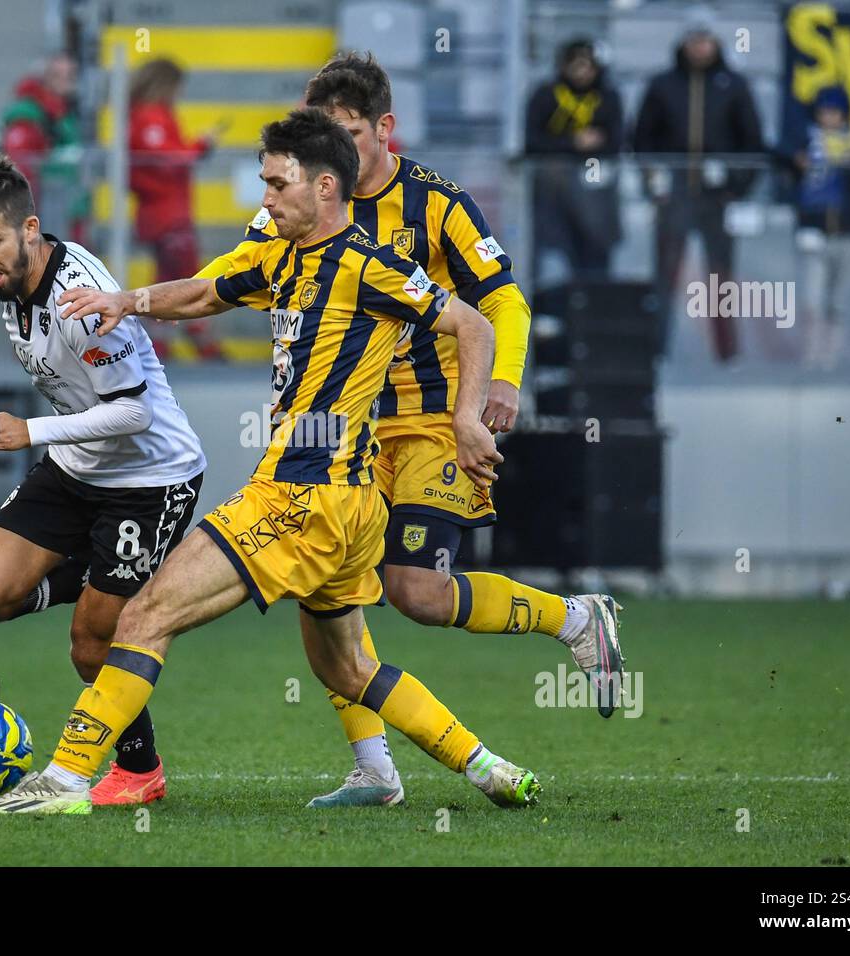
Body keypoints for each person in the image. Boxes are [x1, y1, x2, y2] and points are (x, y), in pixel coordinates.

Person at [0, 109, 543, 816]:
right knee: (348, 667)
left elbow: (474, 322)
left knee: (146, 614)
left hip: (304, 493)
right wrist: (127, 299)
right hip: (350, 502)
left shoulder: (369, 266)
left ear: (325, 187)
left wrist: (463, 416)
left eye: (276, 184)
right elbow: (208, 292)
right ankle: (490, 770)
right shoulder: (284, 254)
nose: (263, 198)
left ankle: (65, 779)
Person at [200, 52, 623, 809]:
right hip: (336, 433)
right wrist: (141, 302)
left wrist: (498, 387)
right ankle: (374, 769)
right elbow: (232, 275)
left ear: (385, 129)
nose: (331, 151)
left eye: (350, 133)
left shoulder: (437, 203)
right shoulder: (292, 203)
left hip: (430, 424)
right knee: (327, 598)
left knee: (418, 593)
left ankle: (576, 618)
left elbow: (505, 303)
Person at [0, 155, 207, 804]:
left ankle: (140, 770)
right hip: (77, 469)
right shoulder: (12, 289)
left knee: (92, 643)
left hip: (150, 478)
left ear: (29, 229)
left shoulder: (78, 300)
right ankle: (98, 576)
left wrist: (24, 431)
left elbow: (134, 411)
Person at [633, 9, 764, 361]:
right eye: (694, 39)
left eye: (705, 39)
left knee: (720, 279)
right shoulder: (663, 85)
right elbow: (641, 139)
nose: (700, 47)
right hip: (673, 197)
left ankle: (726, 355)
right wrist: (654, 181)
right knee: (665, 277)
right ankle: (657, 351)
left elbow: (753, 143)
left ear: (715, 42)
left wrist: (735, 186)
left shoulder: (734, 86)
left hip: (716, 200)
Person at [129, 58, 228, 360]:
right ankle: (208, 353)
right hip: (166, 217)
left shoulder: (149, 116)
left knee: (167, 285)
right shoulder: (150, 117)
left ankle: (156, 353)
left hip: (165, 216)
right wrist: (200, 146)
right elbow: (168, 159)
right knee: (191, 284)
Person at [524, 37, 624, 281]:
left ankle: (594, 307)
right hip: (552, 195)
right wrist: (572, 143)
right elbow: (531, 141)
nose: (581, 72)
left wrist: (594, 144)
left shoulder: (608, 97)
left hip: (596, 196)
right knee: (553, 255)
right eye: (575, 65)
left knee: (594, 255)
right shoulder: (547, 95)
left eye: (587, 66)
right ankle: (549, 311)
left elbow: (618, 140)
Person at [791, 86, 850, 368]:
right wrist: (797, 163)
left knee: (838, 302)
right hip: (814, 228)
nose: (829, 118)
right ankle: (810, 354)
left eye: (834, 112)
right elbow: (781, 158)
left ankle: (831, 358)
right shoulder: (806, 139)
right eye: (824, 111)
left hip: (846, 230)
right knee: (812, 300)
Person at [0, 51, 89, 244]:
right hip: (45, 205)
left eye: (71, 75)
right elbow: (21, 161)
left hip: (64, 204)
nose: (66, 82)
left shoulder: (62, 111)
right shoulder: (30, 113)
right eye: (58, 75)